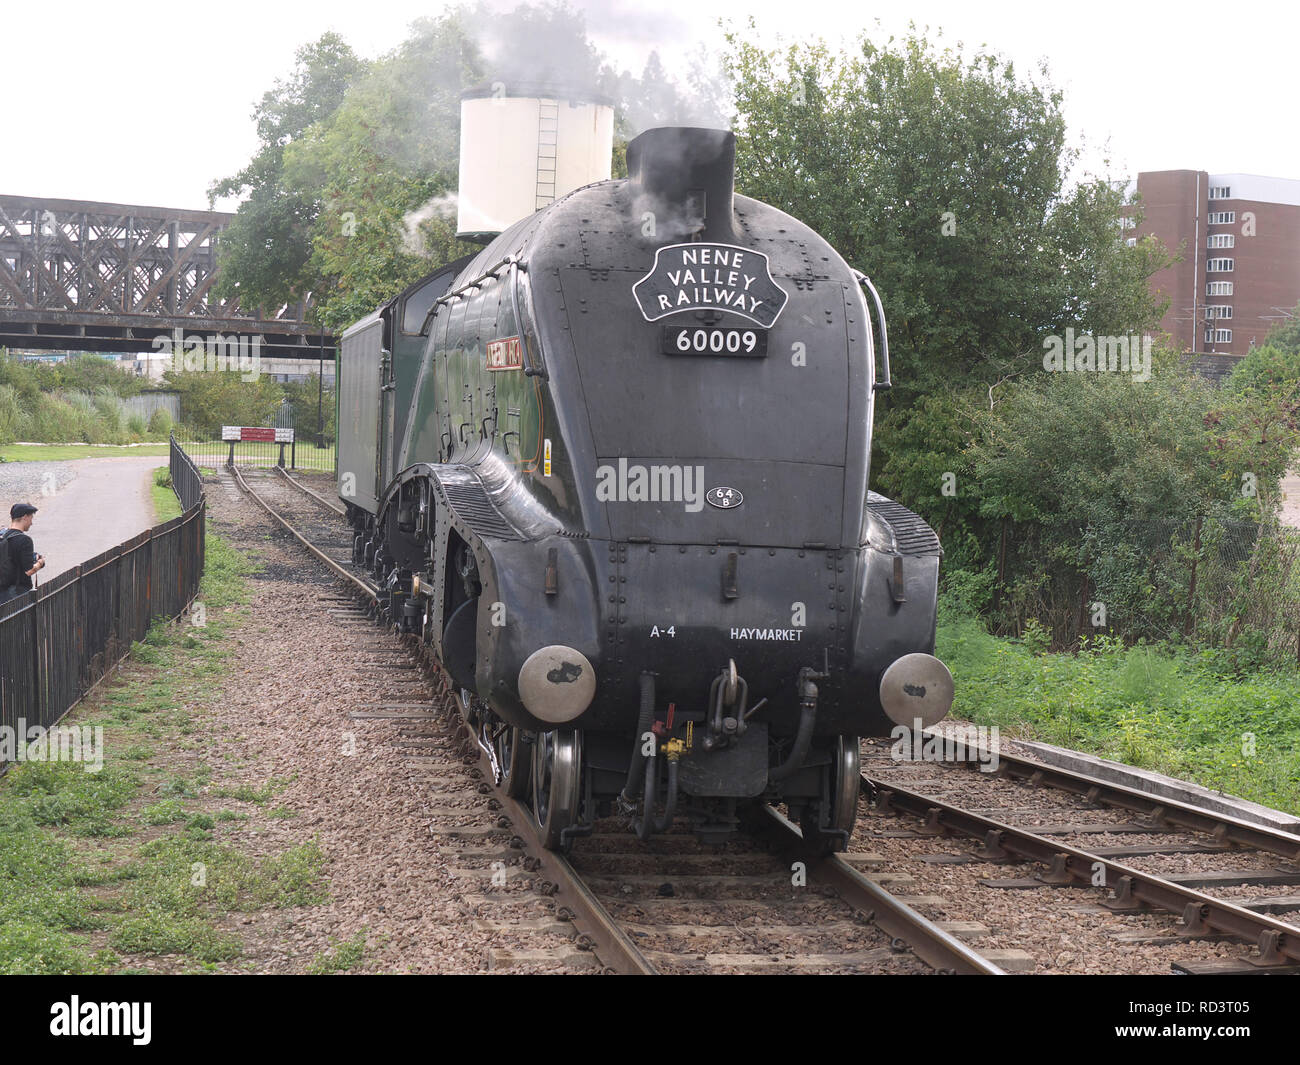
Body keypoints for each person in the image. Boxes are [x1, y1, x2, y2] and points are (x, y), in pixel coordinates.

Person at [0, 503, 46, 604]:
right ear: (24, 517)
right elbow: (29, 571)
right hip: (18, 592)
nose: (31, 523)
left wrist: (32, 556)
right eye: (31, 518)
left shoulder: (3, 536)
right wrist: (41, 563)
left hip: (3, 592)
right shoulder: (24, 540)